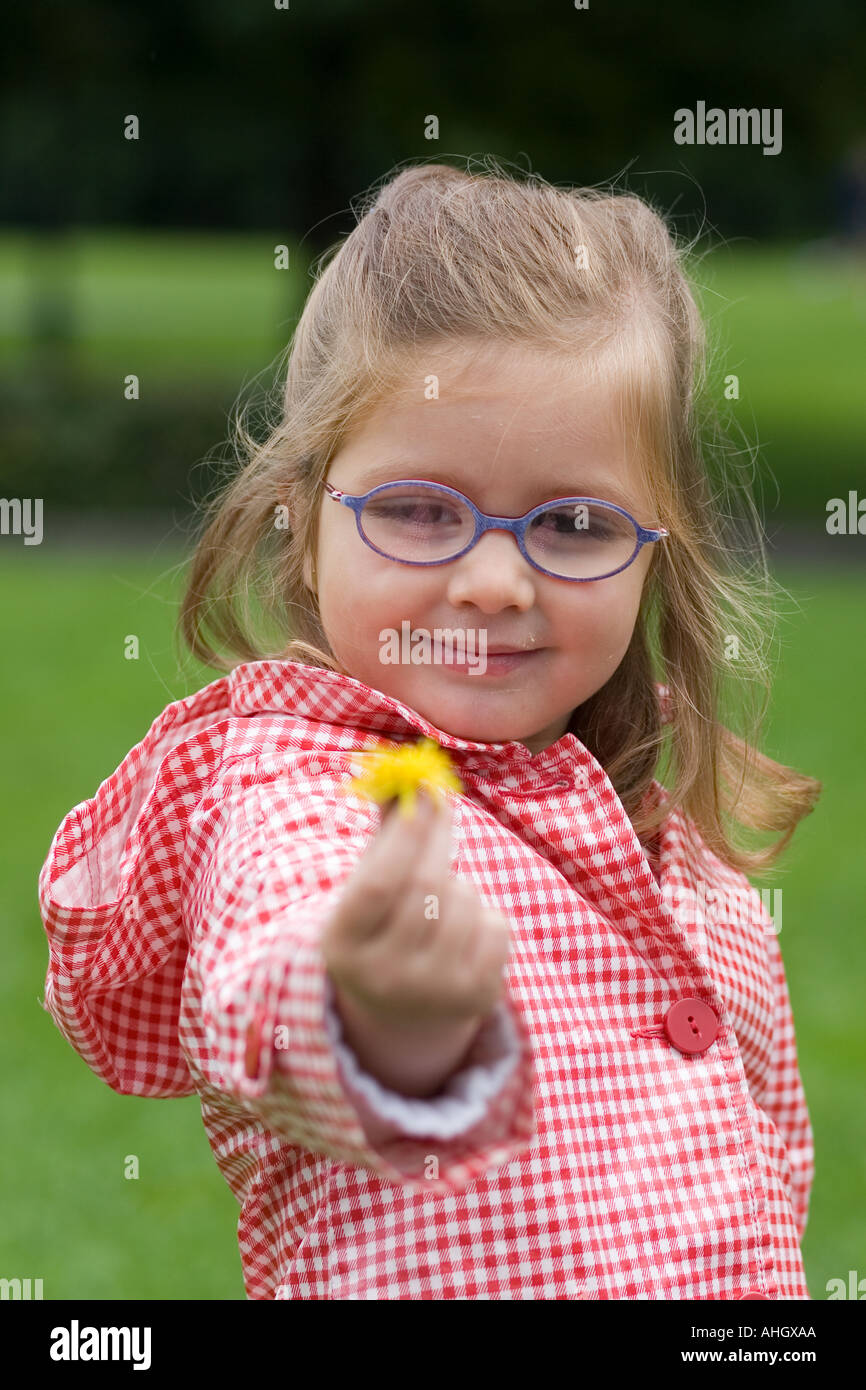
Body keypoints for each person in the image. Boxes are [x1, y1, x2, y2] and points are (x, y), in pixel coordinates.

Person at [38, 160, 822, 1300]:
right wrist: (376, 1017)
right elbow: (280, 950)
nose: (495, 579)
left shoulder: (664, 832)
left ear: (657, 548)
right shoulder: (309, 789)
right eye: (416, 510)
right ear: (303, 527)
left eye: (572, 521)